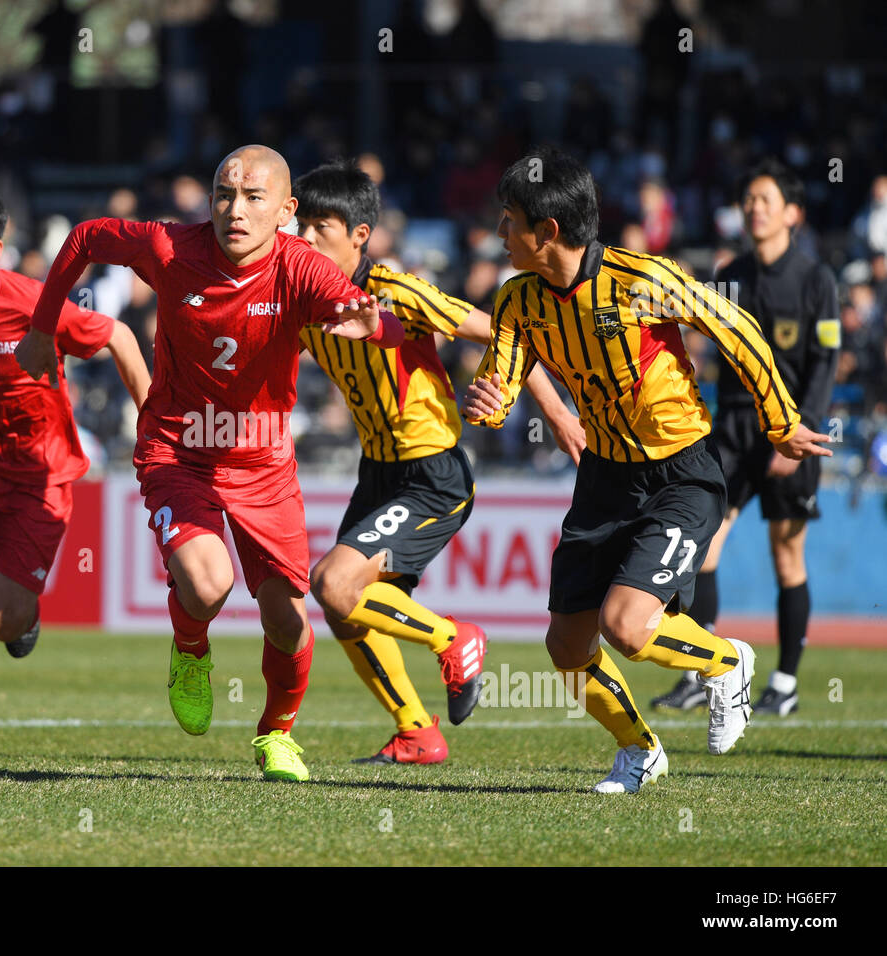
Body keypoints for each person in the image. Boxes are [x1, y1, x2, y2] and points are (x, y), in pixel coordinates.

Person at [16, 144, 411, 782]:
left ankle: (275, 734)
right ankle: (190, 649)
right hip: (179, 451)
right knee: (206, 585)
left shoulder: (301, 267)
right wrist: (41, 329)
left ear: (286, 211)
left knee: (286, 618)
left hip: (263, 464)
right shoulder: (171, 248)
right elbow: (86, 237)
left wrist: (374, 327)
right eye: (224, 194)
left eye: (254, 198)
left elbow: (382, 327)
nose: (235, 209)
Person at [463, 147, 831, 793]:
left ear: (547, 231)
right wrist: (487, 404)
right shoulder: (518, 299)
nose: (498, 233)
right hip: (605, 477)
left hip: (680, 472)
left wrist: (780, 420)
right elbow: (500, 379)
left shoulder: (640, 280)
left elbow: (736, 326)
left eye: (508, 220)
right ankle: (640, 750)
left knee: (626, 626)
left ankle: (728, 662)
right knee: (566, 648)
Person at [294, 159, 586, 764]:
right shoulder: (303, 303)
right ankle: (415, 732)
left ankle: (456, 638)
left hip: (432, 476)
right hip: (376, 472)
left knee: (330, 582)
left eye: (320, 226)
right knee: (345, 610)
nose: (304, 239)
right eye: (301, 224)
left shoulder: (397, 292)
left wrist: (557, 414)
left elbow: (507, 336)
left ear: (359, 236)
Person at [0, 174, 151, 756]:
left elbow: (118, 334)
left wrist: (155, 425)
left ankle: (21, 618)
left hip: (38, 470)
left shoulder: (29, 305)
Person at [652, 159, 839, 718]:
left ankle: (784, 683)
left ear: (793, 213)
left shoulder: (816, 280)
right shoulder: (730, 275)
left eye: (765, 199)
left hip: (794, 429)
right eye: (748, 200)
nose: (754, 208)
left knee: (787, 554)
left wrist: (798, 432)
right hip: (733, 426)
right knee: (703, 546)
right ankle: (699, 668)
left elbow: (826, 364)